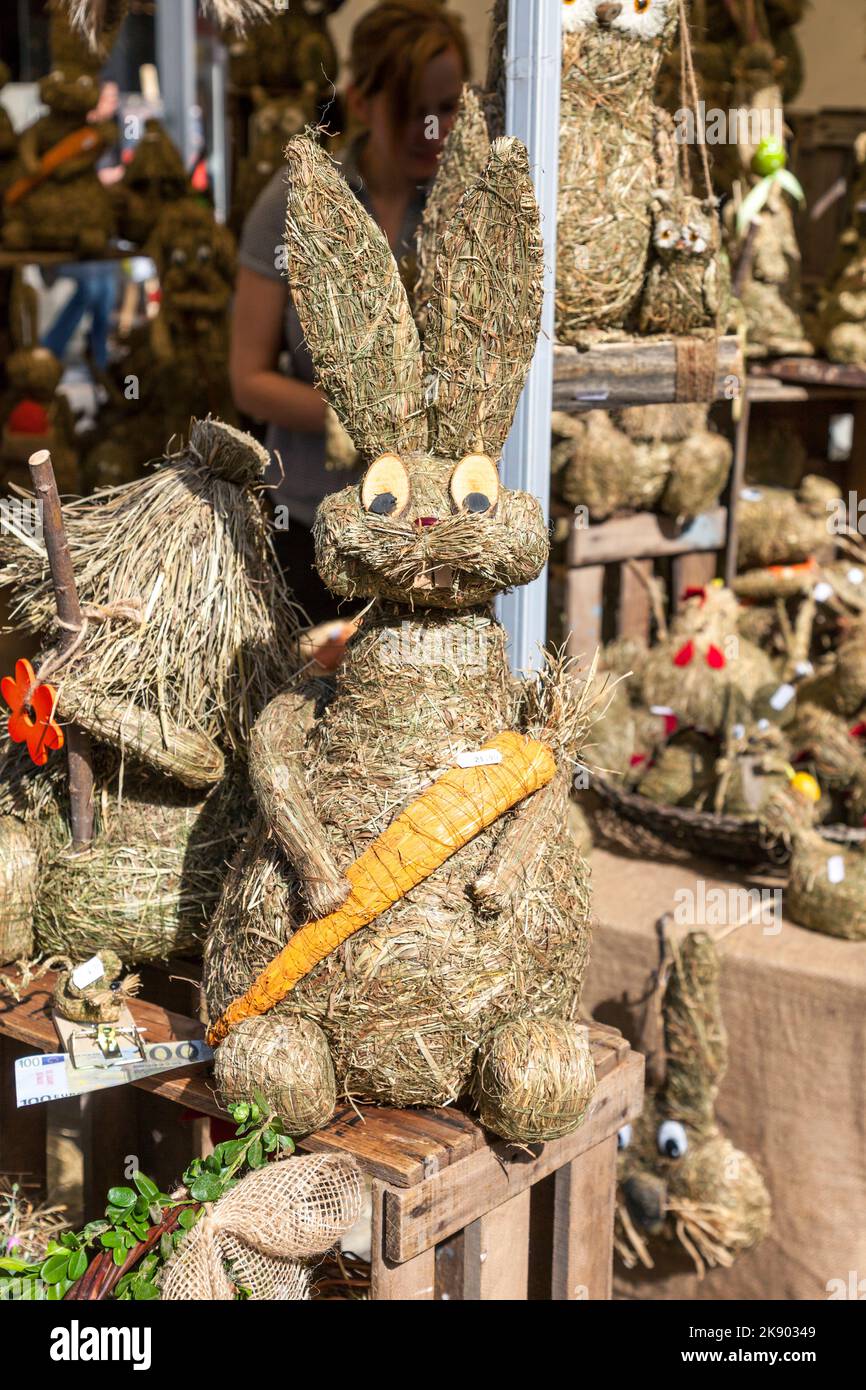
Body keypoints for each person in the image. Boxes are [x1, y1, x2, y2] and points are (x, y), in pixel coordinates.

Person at [230, 0, 469, 625]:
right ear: (361, 101)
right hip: (310, 529)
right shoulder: (298, 203)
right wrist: (344, 415)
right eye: (412, 108)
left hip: (432, 539)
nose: (432, 131)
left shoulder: (463, 216)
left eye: (447, 109)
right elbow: (247, 379)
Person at [41, 81, 123, 373]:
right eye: (107, 96)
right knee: (94, 286)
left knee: (105, 287)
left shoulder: (111, 133)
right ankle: (53, 346)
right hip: (68, 235)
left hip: (96, 233)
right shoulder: (77, 135)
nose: (113, 102)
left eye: (115, 96)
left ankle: (95, 354)